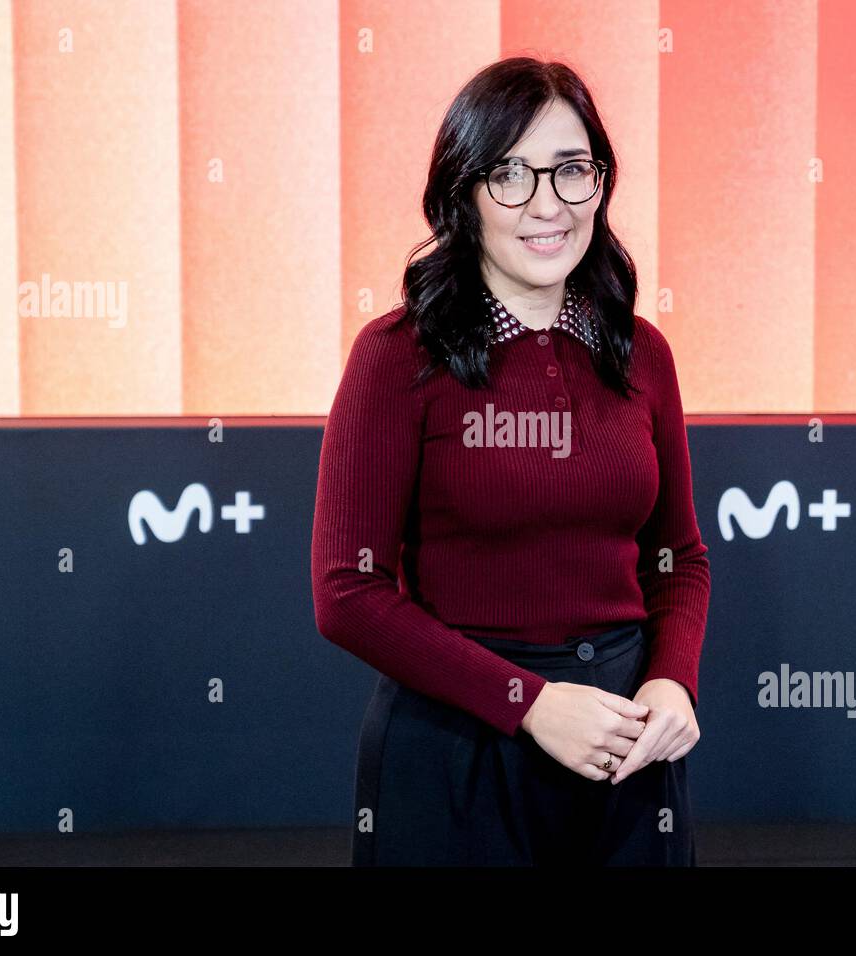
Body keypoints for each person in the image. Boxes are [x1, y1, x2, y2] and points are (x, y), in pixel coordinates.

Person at [311, 56, 710, 866]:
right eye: (510, 175)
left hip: (622, 749)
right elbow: (346, 591)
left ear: (601, 183)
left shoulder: (643, 353)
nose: (547, 205)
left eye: (571, 171)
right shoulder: (397, 356)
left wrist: (671, 682)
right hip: (457, 750)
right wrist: (527, 704)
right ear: (464, 195)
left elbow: (679, 560)